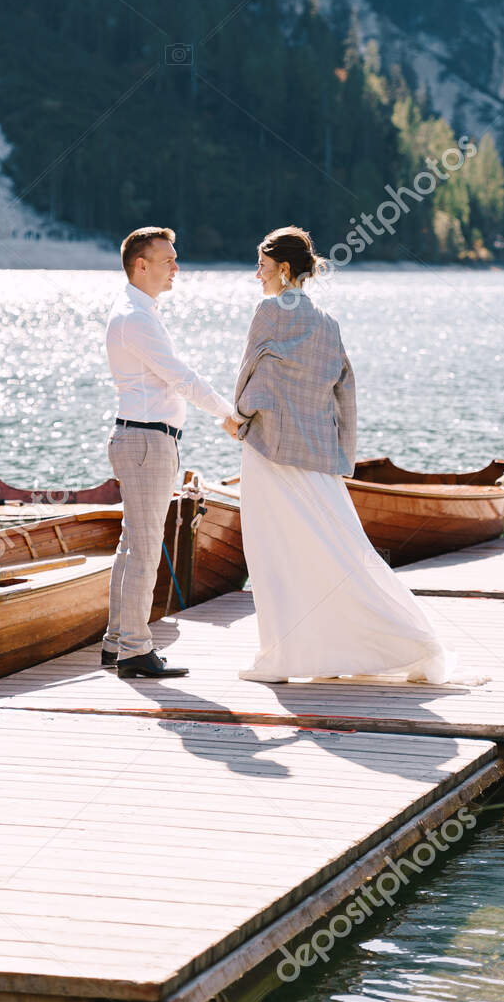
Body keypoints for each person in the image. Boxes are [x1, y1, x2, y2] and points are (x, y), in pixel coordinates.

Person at [231, 226, 452, 685]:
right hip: (316, 455)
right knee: (340, 549)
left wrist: (239, 415)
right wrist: (341, 453)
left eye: (263, 266)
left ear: (284, 269)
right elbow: (343, 390)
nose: (257, 275)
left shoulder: (269, 311)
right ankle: (402, 638)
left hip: (269, 451)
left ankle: (280, 657)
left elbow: (252, 375)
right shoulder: (328, 323)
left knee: (275, 552)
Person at [102, 225, 239, 678]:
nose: (176, 268)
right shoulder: (135, 318)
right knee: (143, 550)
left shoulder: (138, 312)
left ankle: (117, 643)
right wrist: (227, 414)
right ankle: (135, 650)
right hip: (146, 441)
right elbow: (181, 376)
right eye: (168, 260)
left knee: (131, 545)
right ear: (141, 265)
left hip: (141, 438)